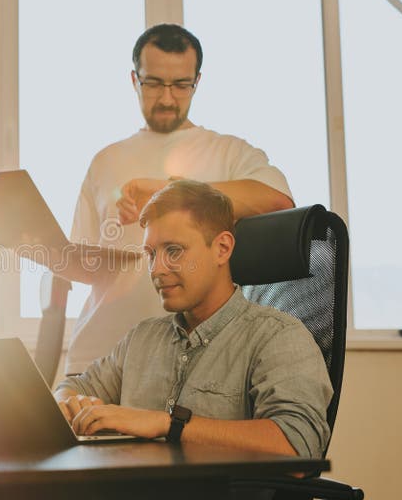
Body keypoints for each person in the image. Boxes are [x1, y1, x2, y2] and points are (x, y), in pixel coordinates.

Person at [65, 23, 294, 374]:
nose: (168, 98)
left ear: (197, 82)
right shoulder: (105, 160)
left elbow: (279, 203)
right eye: (154, 83)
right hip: (95, 357)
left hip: (188, 361)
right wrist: (47, 253)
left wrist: (168, 189)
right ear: (134, 80)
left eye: (181, 85)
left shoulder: (229, 152)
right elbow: (83, 265)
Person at [55, 180, 332, 459]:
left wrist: (168, 424)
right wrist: (70, 405)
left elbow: (298, 447)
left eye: (173, 251)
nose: (156, 269)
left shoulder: (279, 336)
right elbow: (71, 389)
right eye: (151, 254)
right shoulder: (141, 338)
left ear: (222, 248)